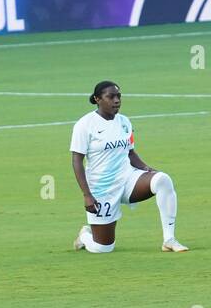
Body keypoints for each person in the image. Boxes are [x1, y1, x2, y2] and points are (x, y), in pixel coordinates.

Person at [70, 80, 187, 254]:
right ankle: (85, 236)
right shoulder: (85, 125)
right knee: (103, 248)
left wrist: (147, 169)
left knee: (162, 180)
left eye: (118, 96)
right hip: (102, 189)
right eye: (111, 97)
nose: (116, 100)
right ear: (97, 99)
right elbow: (76, 161)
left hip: (127, 179)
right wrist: (87, 195)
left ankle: (169, 239)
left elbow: (130, 153)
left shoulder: (124, 122)